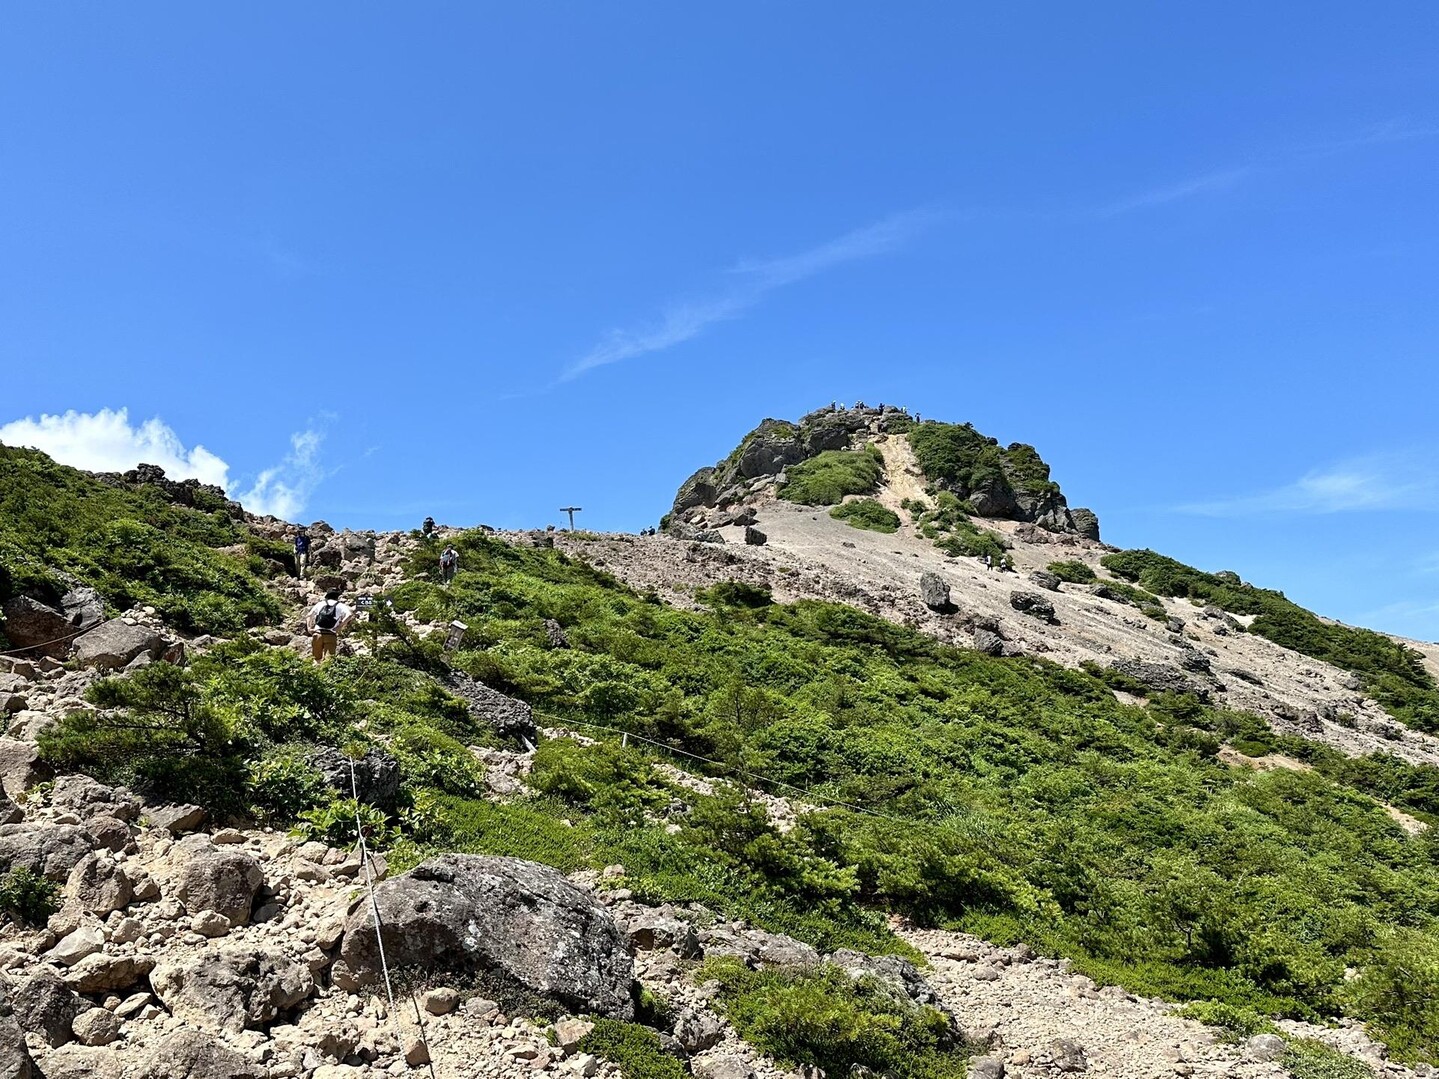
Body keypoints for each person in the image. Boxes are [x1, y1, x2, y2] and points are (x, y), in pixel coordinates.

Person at [306, 589, 354, 663]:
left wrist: (309, 628)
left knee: (316, 659)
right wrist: (340, 626)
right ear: (337, 596)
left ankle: (316, 669)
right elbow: (349, 615)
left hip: (318, 634)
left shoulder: (320, 604)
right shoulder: (340, 605)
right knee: (329, 661)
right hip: (331, 635)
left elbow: (309, 615)